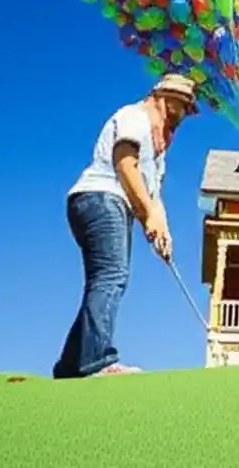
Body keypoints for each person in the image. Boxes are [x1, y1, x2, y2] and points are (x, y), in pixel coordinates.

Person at [52, 73, 198, 378]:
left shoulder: (158, 151)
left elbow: (153, 197)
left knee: (104, 279)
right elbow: (125, 164)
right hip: (101, 197)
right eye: (182, 104)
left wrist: (162, 231)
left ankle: (70, 365)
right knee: (111, 276)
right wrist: (146, 214)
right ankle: (98, 360)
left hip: (110, 203)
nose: (184, 112)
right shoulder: (135, 116)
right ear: (162, 97)